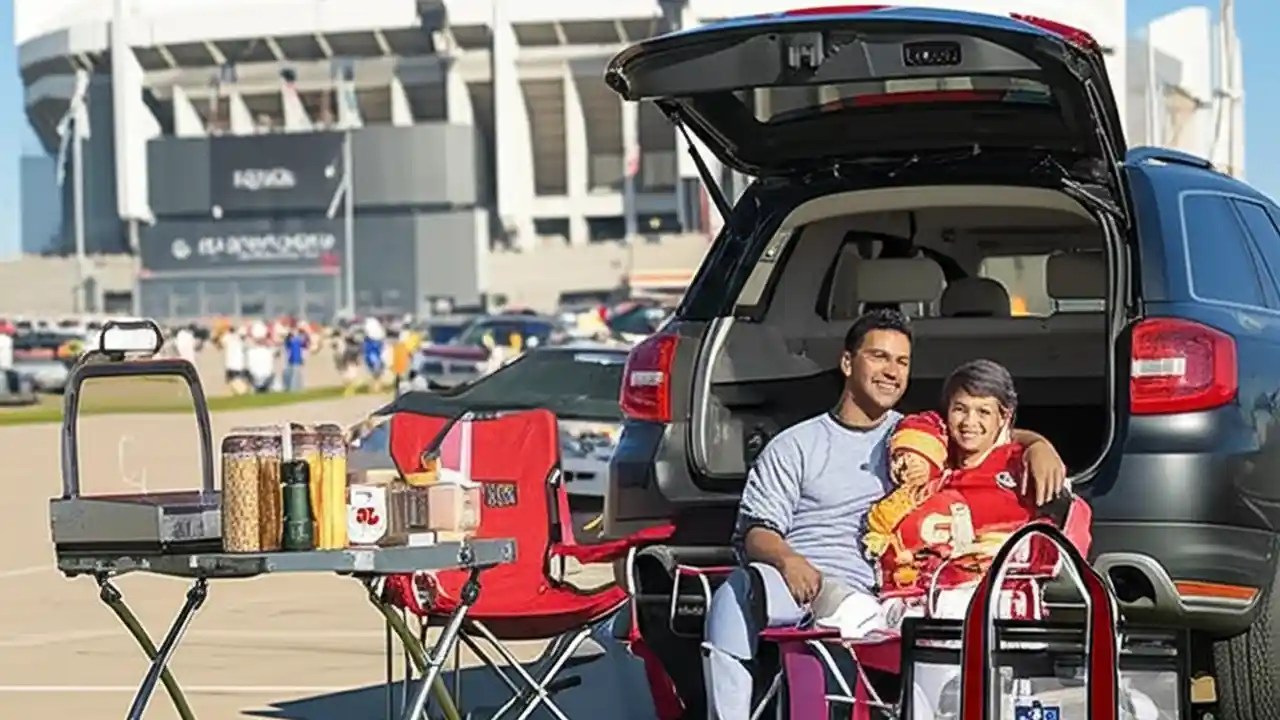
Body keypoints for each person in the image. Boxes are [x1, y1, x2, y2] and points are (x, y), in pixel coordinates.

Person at [701, 309, 1067, 720]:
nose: (892, 371)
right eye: (879, 357)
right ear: (847, 362)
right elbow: (756, 531)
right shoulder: (796, 445)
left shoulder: (920, 436)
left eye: (903, 362)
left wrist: (1038, 445)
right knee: (735, 594)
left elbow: (979, 426)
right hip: (806, 581)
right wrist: (788, 561)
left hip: (892, 596)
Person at [282, 322, 308, 393]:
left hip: (295, 359)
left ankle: (296, 388)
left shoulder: (297, 340)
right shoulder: (294, 340)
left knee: (296, 374)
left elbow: (304, 346)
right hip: (293, 359)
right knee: (295, 374)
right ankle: (294, 388)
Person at [222, 327, 248, 395]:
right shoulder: (239, 339)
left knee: (230, 382)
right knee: (238, 380)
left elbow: (220, 344)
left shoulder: (227, 337)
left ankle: (233, 393)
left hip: (230, 364)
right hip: (239, 364)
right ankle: (240, 392)